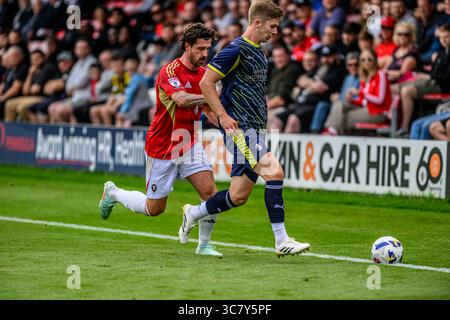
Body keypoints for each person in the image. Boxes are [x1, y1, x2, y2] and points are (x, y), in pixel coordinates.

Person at [178, 0, 310, 257]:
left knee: (238, 196)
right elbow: (207, 83)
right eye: (272, 26)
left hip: (256, 129)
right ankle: (281, 240)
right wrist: (223, 116)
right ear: (257, 22)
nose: (275, 32)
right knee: (274, 172)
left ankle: (193, 212)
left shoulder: (260, 51)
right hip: (241, 130)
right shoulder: (234, 49)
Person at [98, 23, 223, 257]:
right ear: (187, 46)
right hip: (163, 146)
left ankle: (204, 244)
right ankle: (113, 193)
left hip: (189, 142)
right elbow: (182, 99)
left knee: (212, 195)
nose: (205, 54)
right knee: (154, 209)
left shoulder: (204, 75)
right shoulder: (170, 70)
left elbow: (208, 109)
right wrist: (209, 94)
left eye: (208, 48)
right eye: (200, 49)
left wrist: (228, 125)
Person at [398, 22, 450, 136]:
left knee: (407, 91)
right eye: (441, 37)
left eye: (446, 36)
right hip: (434, 81)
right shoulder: (441, 53)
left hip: (441, 86)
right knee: (397, 88)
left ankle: (404, 127)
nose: (443, 40)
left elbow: (446, 79)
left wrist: (429, 76)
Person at [324, 49, 392, 135]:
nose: (366, 62)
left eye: (369, 59)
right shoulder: (366, 77)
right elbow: (362, 101)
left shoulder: (380, 75)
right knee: (339, 104)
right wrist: (351, 100)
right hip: (366, 109)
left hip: (377, 112)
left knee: (342, 118)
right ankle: (331, 130)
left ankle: (333, 134)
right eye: (363, 60)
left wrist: (360, 93)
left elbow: (379, 100)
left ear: (375, 60)